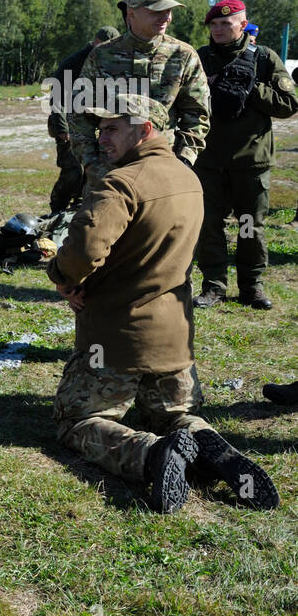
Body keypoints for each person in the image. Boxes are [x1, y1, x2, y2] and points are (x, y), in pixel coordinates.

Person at [48, 94, 277, 514]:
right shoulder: (189, 179)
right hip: (175, 345)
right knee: (175, 416)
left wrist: (63, 277)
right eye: (101, 128)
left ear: (145, 130)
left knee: (77, 421)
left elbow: (82, 251)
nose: (102, 137)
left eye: (113, 128)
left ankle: (150, 456)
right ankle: (208, 442)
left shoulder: (121, 183)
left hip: (115, 343)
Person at [191, 0, 298, 311]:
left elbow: (288, 104)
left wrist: (249, 87)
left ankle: (252, 287)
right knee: (209, 225)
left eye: (226, 23)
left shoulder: (263, 57)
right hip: (209, 160)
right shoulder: (201, 58)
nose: (219, 29)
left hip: (251, 160)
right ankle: (213, 286)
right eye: (214, 24)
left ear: (243, 23)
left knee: (251, 224)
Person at [69, 0, 211, 188]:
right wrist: (92, 165)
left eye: (169, 10)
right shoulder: (102, 54)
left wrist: (183, 161)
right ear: (132, 13)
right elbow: (78, 112)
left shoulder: (183, 55)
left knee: (159, 221)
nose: (166, 17)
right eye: (157, 11)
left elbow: (197, 115)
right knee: (103, 220)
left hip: (163, 167)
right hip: (109, 168)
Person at [47, 26, 119, 212]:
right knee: (73, 172)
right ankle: (57, 207)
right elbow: (57, 95)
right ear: (95, 41)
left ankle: (79, 207)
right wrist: (63, 128)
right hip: (69, 124)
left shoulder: (111, 61)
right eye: (102, 45)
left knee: (93, 171)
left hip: (97, 125)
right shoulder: (74, 62)